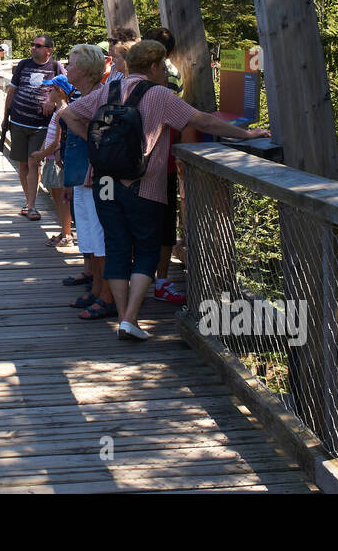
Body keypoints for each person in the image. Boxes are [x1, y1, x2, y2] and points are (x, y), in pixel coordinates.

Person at [60, 40, 271, 341]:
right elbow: (203, 120)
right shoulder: (160, 95)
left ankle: (122, 316)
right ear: (155, 66)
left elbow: (67, 114)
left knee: (117, 246)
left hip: (105, 184)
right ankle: (130, 318)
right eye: (163, 67)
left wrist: (95, 149)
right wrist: (247, 133)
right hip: (143, 185)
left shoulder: (109, 89)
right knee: (146, 248)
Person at [53, 44, 117, 320]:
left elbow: (95, 136)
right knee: (89, 235)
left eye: (71, 63)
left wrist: (63, 110)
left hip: (96, 176)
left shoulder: (100, 95)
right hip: (80, 175)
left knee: (100, 235)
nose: (66, 67)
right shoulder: (84, 94)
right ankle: (97, 286)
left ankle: (107, 294)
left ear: (87, 70)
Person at [142, 26, 188, 305]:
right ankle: (159, 281)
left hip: (137, 161)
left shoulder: (130, 75)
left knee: (147, 222)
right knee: (163, 224)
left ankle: (136, 279)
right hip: (163, 160)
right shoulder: (170, 77)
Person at [2, 34, 65, 221]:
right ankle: (29, 200)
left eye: (38, 46)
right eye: (33, 45)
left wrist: (50, 101)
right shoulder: (23, 65)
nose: (33, 48)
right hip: (18, 122)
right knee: (22, 163)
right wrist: (6, 117)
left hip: (40, 125)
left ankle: (31, 206)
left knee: (33, 163)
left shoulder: (55, 67)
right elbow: (12, 90)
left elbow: (66, 89)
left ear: (49, 50)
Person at [29, 76, 76, 247]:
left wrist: (41, 154)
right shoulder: (58, 111)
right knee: (56, 198)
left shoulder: (63, 112)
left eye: (52, 89)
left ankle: (67, 235)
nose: (49, 92)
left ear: (60, 91)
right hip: (49, 159)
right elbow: (49, 137)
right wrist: (41, 152)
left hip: (55, 161)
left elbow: (57, 143)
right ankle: (64, 231)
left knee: (62, 199)